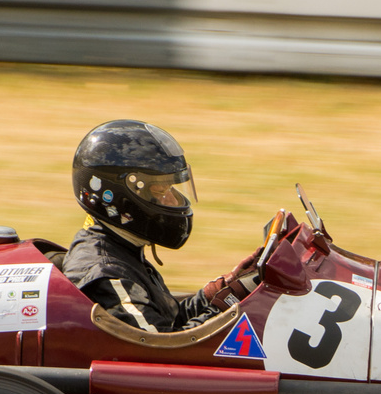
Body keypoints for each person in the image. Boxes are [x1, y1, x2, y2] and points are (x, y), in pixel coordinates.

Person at [62, 120, 254, 332]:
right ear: (121, 196)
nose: (172, 201)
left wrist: (222, 290)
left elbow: (169, 319)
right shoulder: (108, 274)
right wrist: (225, 304)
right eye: (160, 191)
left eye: (170, 188)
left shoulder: (124, 249)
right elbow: (163, 347)